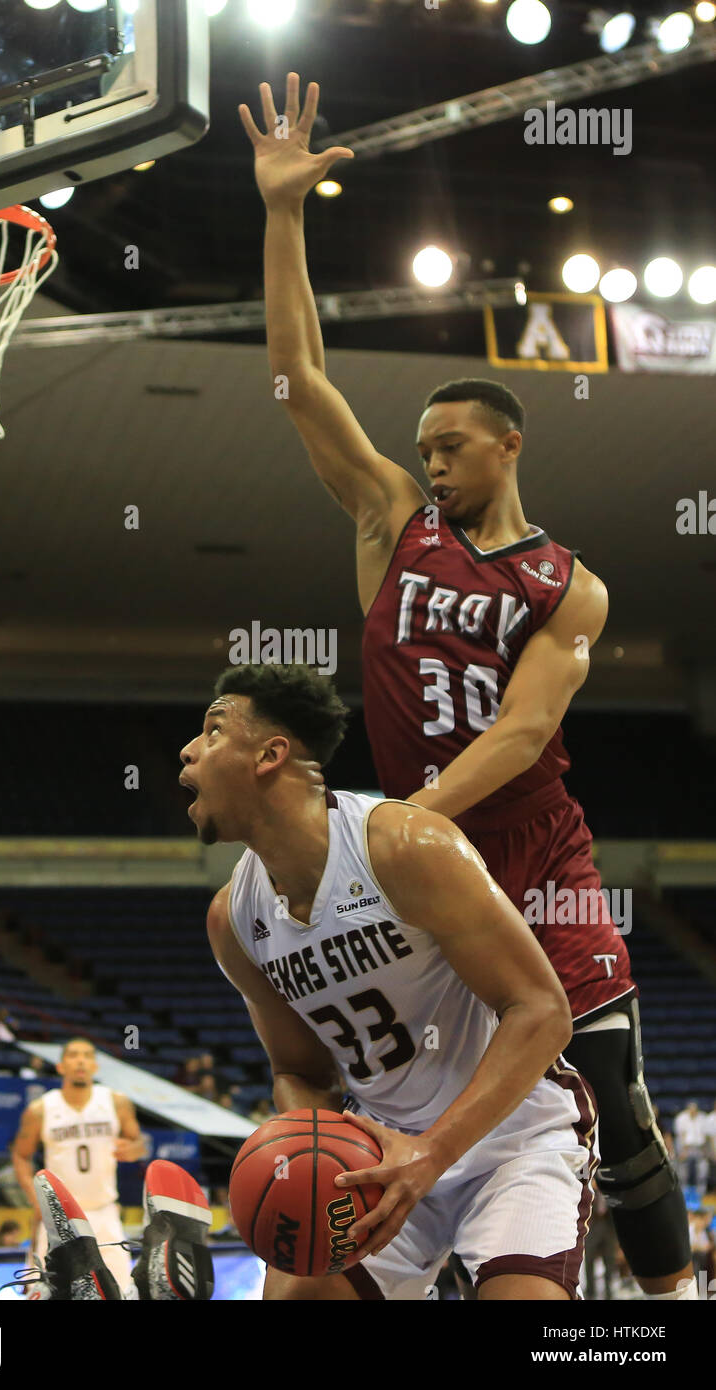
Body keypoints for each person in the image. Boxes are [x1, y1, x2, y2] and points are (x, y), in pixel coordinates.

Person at [240, 70, 693, 1300]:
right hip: (420, 868)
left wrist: (418, 814)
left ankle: (668, 1298)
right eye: (421, 446)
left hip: (531, 857)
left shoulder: (566, 582)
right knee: (418, 1114)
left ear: (508, 444)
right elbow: (296, 377)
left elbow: (526, 726)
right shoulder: (391, 521)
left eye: (449, 445)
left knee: (619, 1107)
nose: (428, 463)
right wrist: (283, 212)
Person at [180, 664, 597, 1301]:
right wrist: (303, 1156)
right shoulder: (232, 918)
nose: (187, 751)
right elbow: (302, 1072)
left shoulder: (406, 846)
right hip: (377, 1154)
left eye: (211, 732)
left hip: (511, 1139)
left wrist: (431, 1154)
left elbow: (541, 1010)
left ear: (270, 754)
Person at [10, 1037, 148, 1297]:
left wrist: (134, 1149)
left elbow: (139, 1143)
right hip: (57, 1215)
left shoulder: (116, 1102)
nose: (81, 1060)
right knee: (45, 1292)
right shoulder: (40, 1110)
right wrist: (34, 1198)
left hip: (104, 1212)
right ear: (61, 1066)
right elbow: (20, 1155)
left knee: (122, 1292)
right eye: (73, 1055)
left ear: (95, 1065)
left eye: (87, 1055)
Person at [674, 1100, 709, 1196]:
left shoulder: (703, 1117)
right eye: (691, 1109)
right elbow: (680, 1136)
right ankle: (683, 1192)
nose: (693, 1111)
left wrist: (705, 1151)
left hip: (699, 1147)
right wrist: (682, 1151)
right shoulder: (681, 1118)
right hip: (686, 1148)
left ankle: (701, 1193)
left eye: (695, 1109)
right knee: (683, 1172)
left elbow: (705, 1136)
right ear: (688, 1109)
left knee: (702, 1170)